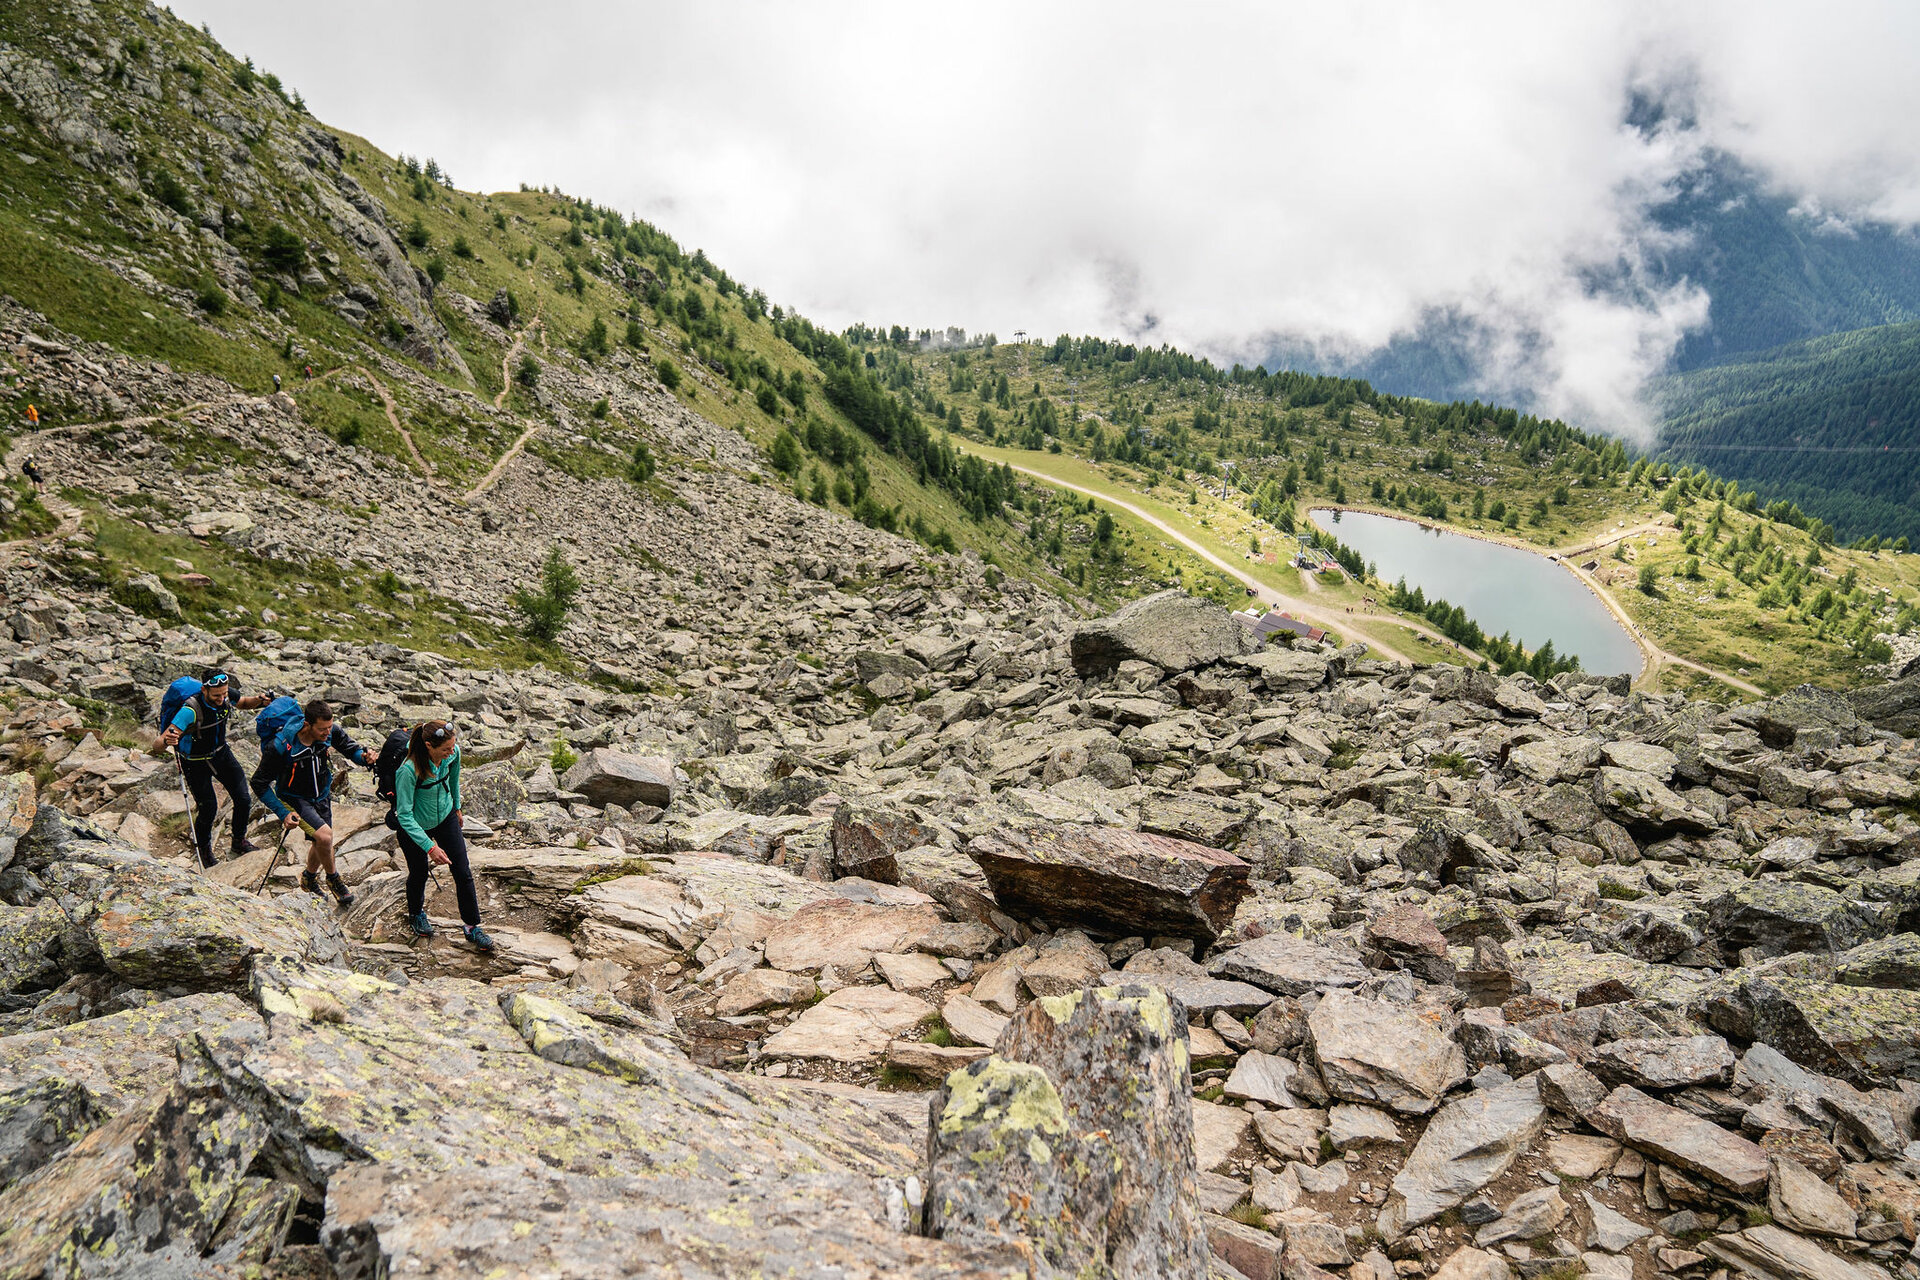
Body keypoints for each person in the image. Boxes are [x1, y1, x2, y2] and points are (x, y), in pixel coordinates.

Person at [253, 699, 369, 906]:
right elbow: (259, 783)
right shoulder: (281, 746)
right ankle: (334, 880)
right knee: (325, 838)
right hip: (294, 798)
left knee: (320, 841)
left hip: (321, 794)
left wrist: (364, 757)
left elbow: (350, 749)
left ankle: (308, 878)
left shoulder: (329, 730)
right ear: (307, 725)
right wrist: (282, 813)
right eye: (323, 729)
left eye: (329, 727)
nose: (328, 733)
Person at [391, 719, 493, 951]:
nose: (451, 753)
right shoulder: (409, 770)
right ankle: (416, 914)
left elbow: (454, 779)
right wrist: (430, 847)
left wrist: (456, 807)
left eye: (452, 747)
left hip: (445, 816)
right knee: (418, 873)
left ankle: (472, 926)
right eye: (445, 749)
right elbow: (404, 815)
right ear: (428, 745)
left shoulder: (453, 753)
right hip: (415, 825)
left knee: (463, 871)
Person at [158, 672, 269, 869]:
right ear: (204, 689)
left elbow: (242, 702)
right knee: (208, 809)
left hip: (221, 754)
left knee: (243, 798)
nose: (221, 699)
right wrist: (168, 740)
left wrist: (260, 701)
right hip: (195, 762)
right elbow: (157, 744)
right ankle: (204, 851)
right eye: (216, 695)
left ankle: (239, 841)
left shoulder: (225, 695)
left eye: (224, 694)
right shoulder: (190, 710)